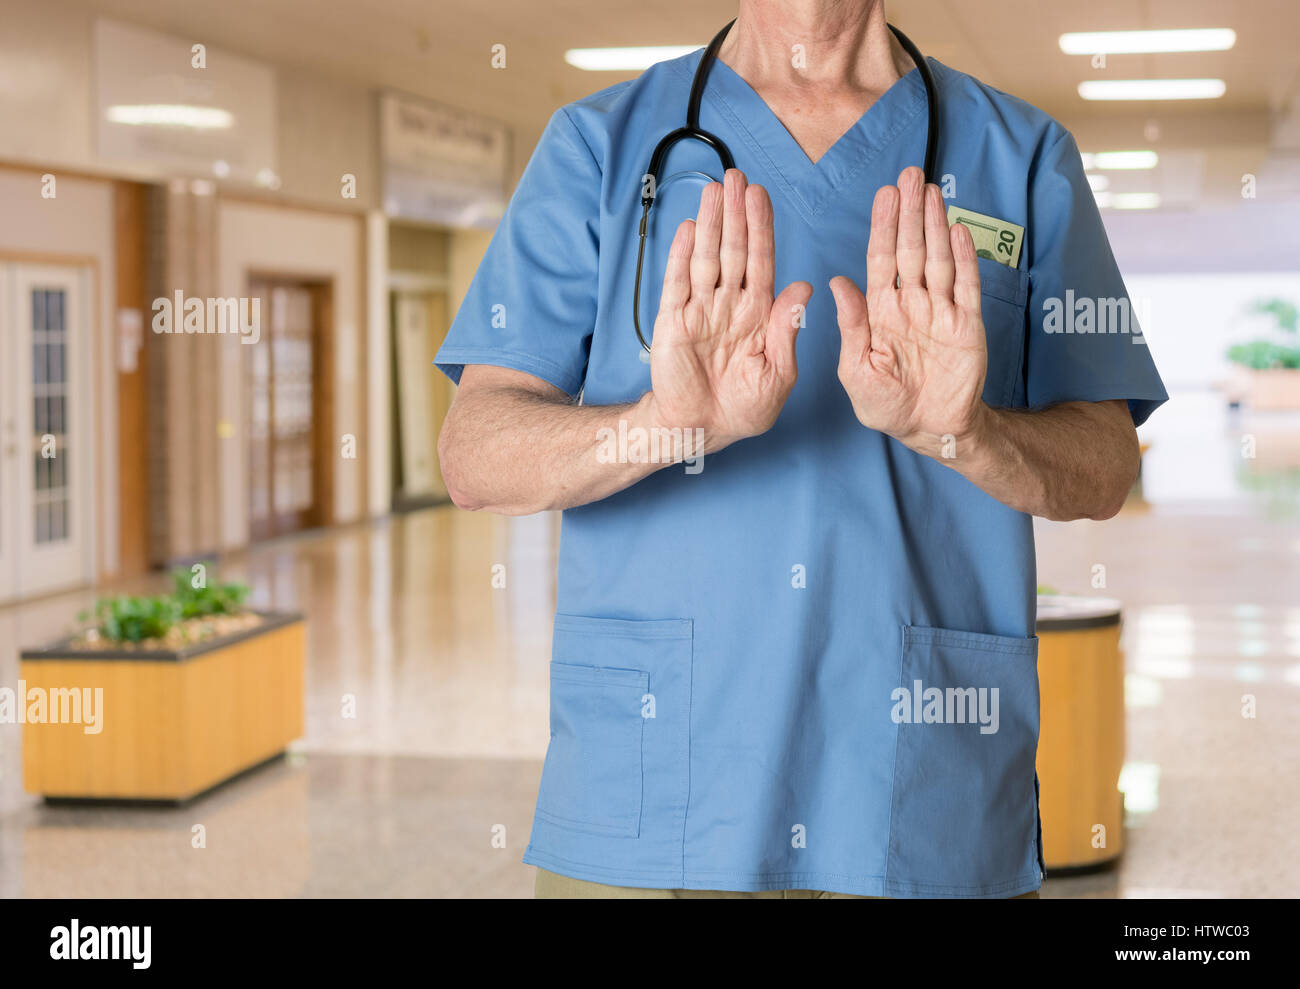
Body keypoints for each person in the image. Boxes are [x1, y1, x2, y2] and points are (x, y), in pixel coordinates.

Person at [435, 0, 1166, 898]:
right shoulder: (602, 145)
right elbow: (474, 453)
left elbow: (1103, 464)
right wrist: (669, 424)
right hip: (661, 792)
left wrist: (966, 431)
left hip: (920, 790)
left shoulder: (1018, 154)